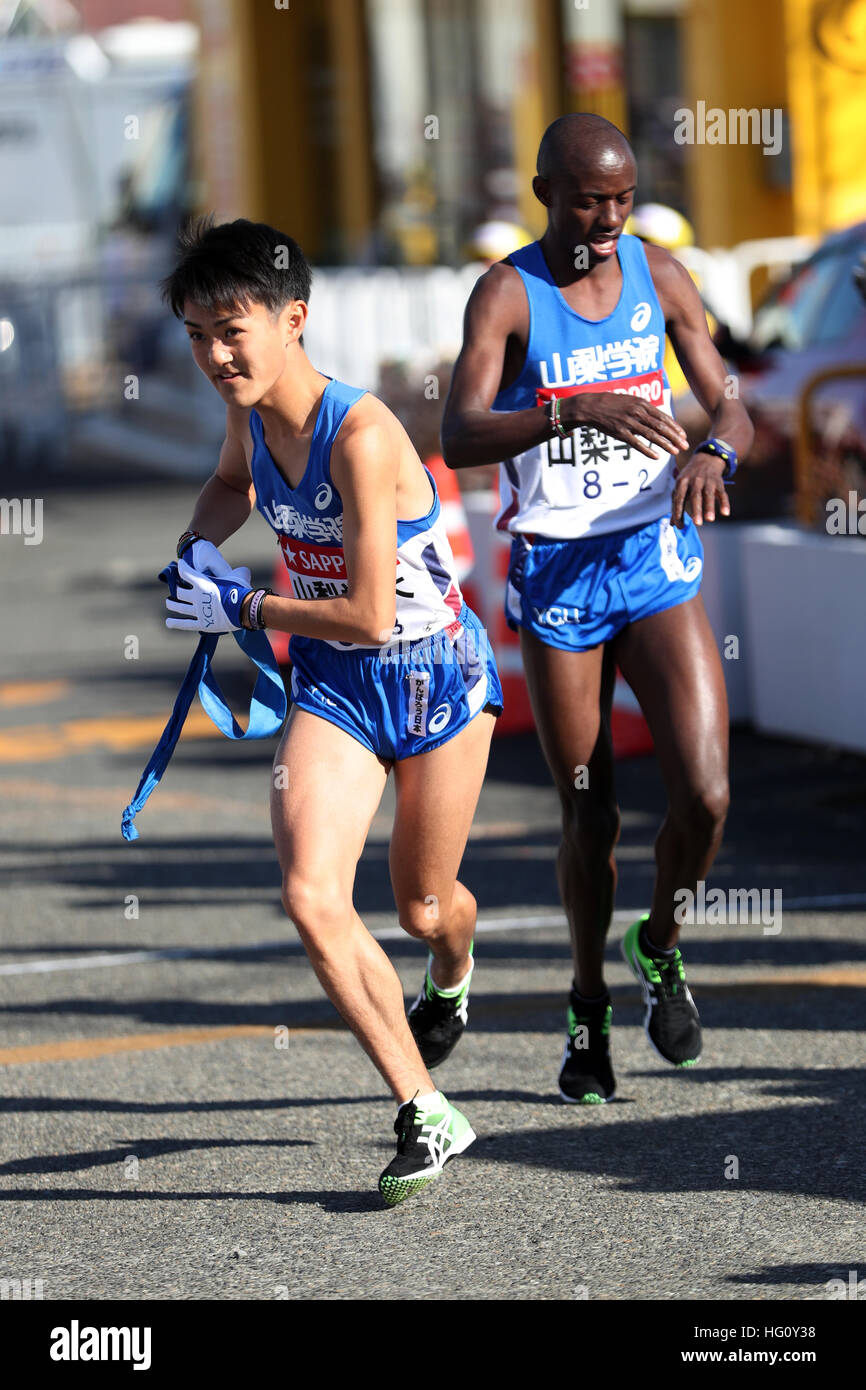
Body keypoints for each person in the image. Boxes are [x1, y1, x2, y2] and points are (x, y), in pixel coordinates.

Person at [158, 216, 503, 1203]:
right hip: (336, 685)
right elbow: (231, 485)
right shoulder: (249, 414)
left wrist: (244, 603)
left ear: (291, 317)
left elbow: (361, 608)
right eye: (195, 335)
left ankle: (453, 966)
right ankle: (425, 1110)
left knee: (422, 908)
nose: (215, 354)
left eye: (232, 330)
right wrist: (192, 550)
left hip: (432, 676)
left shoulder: (360, 435)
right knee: (312, 897)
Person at [441, 114, 754, 1103]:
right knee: (589, 811)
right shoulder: (506, 293)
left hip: (651, 563)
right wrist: (569, 408)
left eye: (621, 198)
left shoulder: (660, 278)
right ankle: (587, 1006)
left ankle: (656, 942)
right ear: (545, 194)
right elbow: (457, 432)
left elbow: (730, 394)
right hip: (559, 586)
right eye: (589, 199)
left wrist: (716, 449)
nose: (609, 217)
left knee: (703, 795)